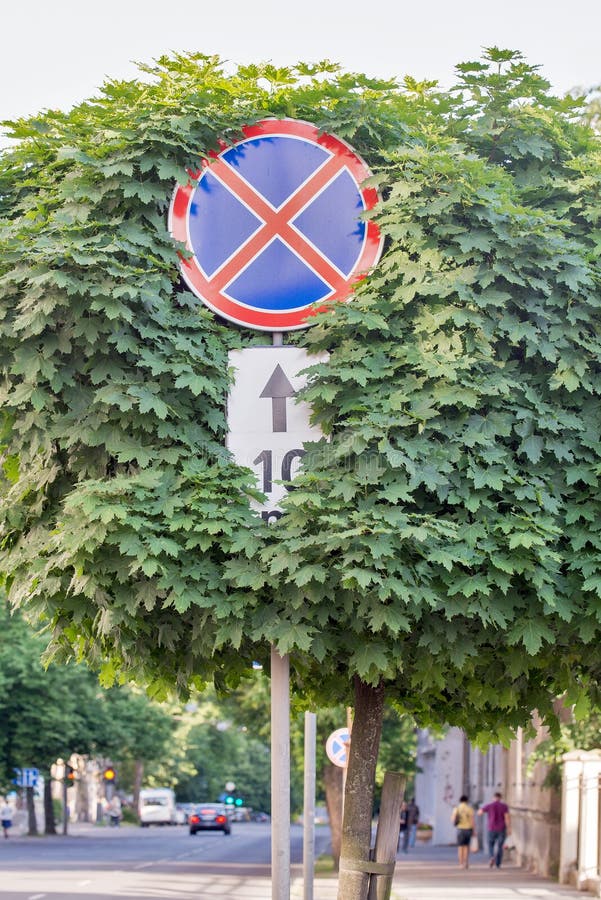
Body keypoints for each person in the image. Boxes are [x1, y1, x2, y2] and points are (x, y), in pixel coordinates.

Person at [478, 791, 511, 869]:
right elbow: (507, 818)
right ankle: (498, 864)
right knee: (500, 846)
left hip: (491, 828)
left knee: (490, 845)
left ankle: (492, 857)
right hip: (502, 829)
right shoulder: (504, 806)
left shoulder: (489, 806)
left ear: (493, 798)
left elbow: (479, 813)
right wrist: (509, 828)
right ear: (500, 798)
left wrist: (481, 811)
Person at [451, 795, 475, 869]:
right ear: (466, 801)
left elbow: (452, 819)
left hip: (460, 829)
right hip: (468, 829)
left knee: (460, 847)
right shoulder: (469, 808)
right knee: (466, 847)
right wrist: (474, 830)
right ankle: (466, 862)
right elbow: (472, 820)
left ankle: (460, 863)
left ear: (460, 801)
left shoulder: (457, 808)